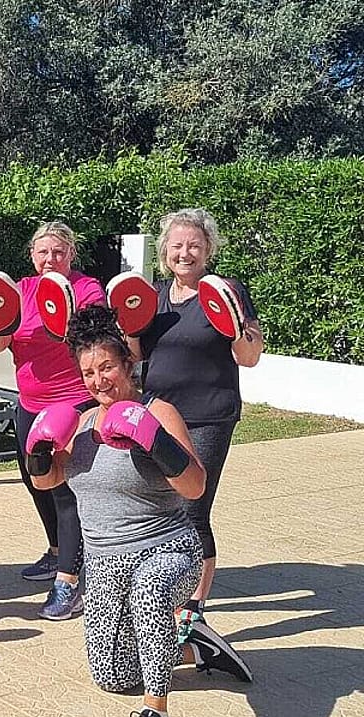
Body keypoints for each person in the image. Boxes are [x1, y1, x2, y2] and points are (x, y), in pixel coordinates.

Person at [28, 305, 251, 717]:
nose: (98, 379)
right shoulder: (82, 424)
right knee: (111, 674)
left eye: (107, 366)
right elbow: (49, 483)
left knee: (152, 595)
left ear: (128, 365)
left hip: (168, 548)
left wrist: (155, 441)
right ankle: (196, 646)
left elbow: (194, 485)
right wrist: (40, 452)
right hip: (106, 563)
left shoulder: (159, 411)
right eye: (88, 371)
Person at [128, 209, 264, 622]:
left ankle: (193, 610)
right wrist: (130, 330)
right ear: (164, 250)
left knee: (192, 509)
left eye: (194, 245)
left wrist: (239, 329)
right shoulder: (153, 297)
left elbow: (250, 357)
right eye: (177, 245)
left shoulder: (227, 291)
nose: (184, 253)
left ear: (208, 251)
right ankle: (160, 594)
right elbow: (137, 356)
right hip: (159, 415)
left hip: (208, 416)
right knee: (158, 506)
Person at [0, 221, 105, 620]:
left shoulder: (87, 290)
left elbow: (98, 339)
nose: (51, 259)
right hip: (29, 401)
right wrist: (0, 326)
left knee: (65, 491)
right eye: (43, 252)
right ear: (32, 256)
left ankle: (68, 582)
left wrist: (65, 322)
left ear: (71, 255)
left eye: (59, 252)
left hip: (74, 402)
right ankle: (56, 552)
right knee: (36, 482)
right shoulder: (21, 290)